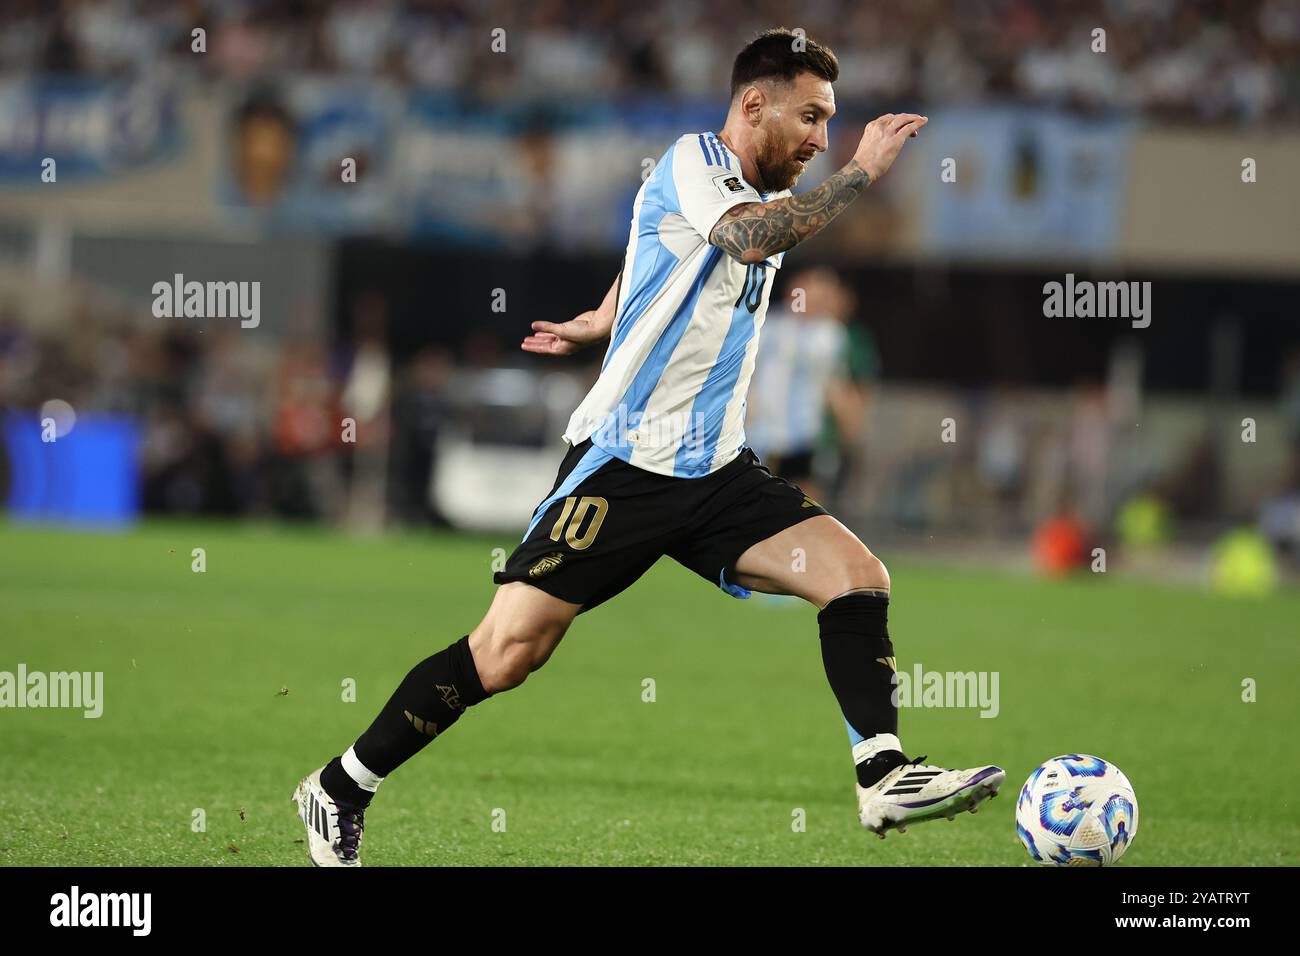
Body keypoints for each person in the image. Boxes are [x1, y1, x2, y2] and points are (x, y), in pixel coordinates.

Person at [293, 28, 1002, 866]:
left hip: (718, 472)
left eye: (830, 122)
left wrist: (604, 313)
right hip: (627, 464)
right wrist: (861, 172)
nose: (819, 138)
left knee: (858, 578)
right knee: (507, 653)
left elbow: (661, 249)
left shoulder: (749, 189)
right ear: (752, 105)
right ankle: (339, 787)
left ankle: (882, 773)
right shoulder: (696, 163)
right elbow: (744, 238)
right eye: (810, 117)